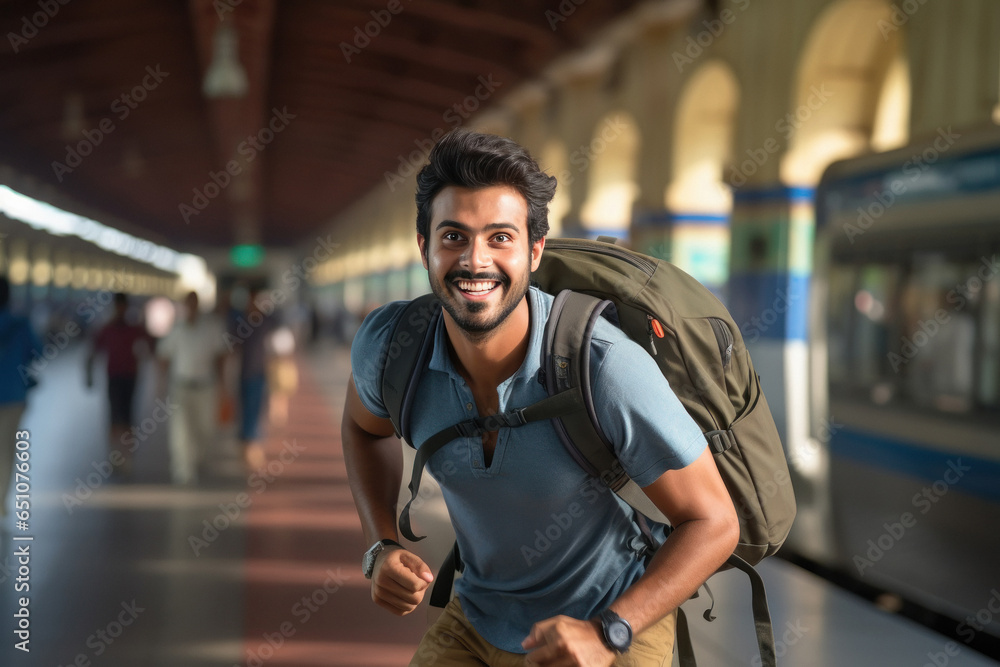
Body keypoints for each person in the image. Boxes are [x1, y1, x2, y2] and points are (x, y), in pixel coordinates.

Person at [342, 130, 739, 666]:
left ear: (534, 250)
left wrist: (609, 633)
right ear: (425, 247)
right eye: (454, 236)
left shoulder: (602, 366)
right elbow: (364, 429)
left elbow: (714, 522)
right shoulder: (392, 348)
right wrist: (380, 545)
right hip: (481, 613)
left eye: (500, 238)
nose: (475, 261)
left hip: (610, 616)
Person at [157, 291, 228, 485]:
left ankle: (200, 459)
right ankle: (183, 470)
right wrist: (161, 383)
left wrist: (224, 385)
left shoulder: (211, 328)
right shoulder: (176, 329)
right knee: (181, 431)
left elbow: (220, 356)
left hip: (205, 386)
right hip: (181, 386)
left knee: (205, 428)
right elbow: (163, 355)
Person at [86, 292, 153, 478]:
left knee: (128, 415)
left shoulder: (134, 329)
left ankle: (127, 455)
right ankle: (115, 454)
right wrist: (88, 373)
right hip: (114, 377)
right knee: (114, 416)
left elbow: (150, 343)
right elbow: (94, 350)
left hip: (130, 377)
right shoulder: (107, 329)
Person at [0, 277, 42, 520]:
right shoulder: (21, 324)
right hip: (14, 394)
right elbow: (38, 352)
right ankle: (1, 499)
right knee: (6, 449)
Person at [227, 288, 277, 471]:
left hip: (259, 373)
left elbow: (276, 331)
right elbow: (232, 347)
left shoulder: (264, 321)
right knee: (245, 410)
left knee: (256, 410)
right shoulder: (240, 322)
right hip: (243, 373)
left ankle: (252, 446)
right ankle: (246, 445)